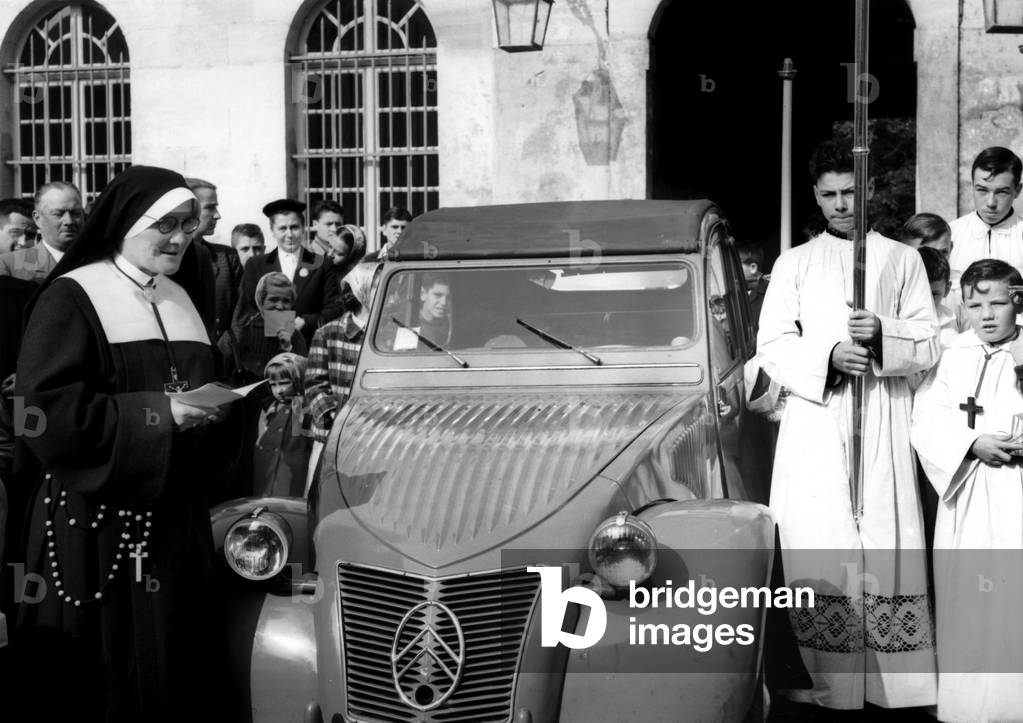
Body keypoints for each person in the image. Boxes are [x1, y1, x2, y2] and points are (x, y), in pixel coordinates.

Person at [5, 166, 236, 720]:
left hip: (174, 525)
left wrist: (220, 406)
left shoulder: (181, 295)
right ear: (128, 224)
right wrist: (160, 416)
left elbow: (202, 384)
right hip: (94, 529)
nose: (180, 237)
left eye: (188, 224)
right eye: (166, 225)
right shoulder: (73, 295)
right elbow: (41, 413)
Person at [756, 140, 939, 712]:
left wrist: (883, 333)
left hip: (881, 411)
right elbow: (771, 345)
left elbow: (928, 339)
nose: (841, 204)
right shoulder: (795, 262)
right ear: (815, 196)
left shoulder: (901, 259)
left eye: (850, 192)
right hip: (816, 421)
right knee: (821, 539)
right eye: (829, 194)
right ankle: (823, 684)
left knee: (883, 537)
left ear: (869, 192)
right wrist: (830, 356)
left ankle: (892, 687)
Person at [911, 258, 1023, 723]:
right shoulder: (952, 353)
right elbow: (925, 420)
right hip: (968, 492)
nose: (987, 314)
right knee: (968, 595)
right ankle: (965, 709)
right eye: (976, 305)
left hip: (1017, 489)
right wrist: (972, 442)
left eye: (998, 302)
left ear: (1018, 301)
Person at [232, 198, 342, 345]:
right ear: (272, 231)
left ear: (303, 228)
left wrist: (304, 322)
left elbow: (334, 309)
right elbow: (249, 310)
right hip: (267, 348)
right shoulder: (256, 265)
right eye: (283, 228)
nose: (289, 234)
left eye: (294, 227)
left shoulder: (322, 264)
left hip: (310, 346)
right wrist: (288, 324)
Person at [948, 147, 1023, 316]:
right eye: (982, 190)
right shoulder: (950, 234)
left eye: (1002, 192)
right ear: (972, 186)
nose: (990, 203)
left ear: (1017, 190)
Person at [219, 271, 308, 383]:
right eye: (273, 299)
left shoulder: (295, 337)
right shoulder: (241, 331)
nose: (280, 306)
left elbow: (304, 379)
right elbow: (218, 370)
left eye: (286, 301)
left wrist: (288, 348)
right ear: (261, 301)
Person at [185, 177, 242, 341]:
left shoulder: (228, 259)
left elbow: (241, 316)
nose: (217, 215)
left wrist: (221, 354)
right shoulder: (163, 261)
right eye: (210, 208)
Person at [0, 182, 83, 283]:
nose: (69, 221)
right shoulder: (8, 264)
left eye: (76, 213)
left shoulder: (100, 262)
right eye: (58, 214)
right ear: (38, 218)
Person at [253, 353, 310, 498]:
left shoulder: (304, 408)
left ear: (298, 380)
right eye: (273, 385)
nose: (279, 390)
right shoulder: (269, 408)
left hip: (293, 477)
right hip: (266, 475)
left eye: (284, 383)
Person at [392, 273, 452, 350]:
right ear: (423, 294)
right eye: (438, 295)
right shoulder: (408, 322)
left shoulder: (453, 328)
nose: (444, 302)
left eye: (448, 298)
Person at [738, 241, 770, 336]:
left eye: (736, 264)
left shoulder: (770, 293)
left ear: (753, 267)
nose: (732, 269)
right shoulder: (738, 292)